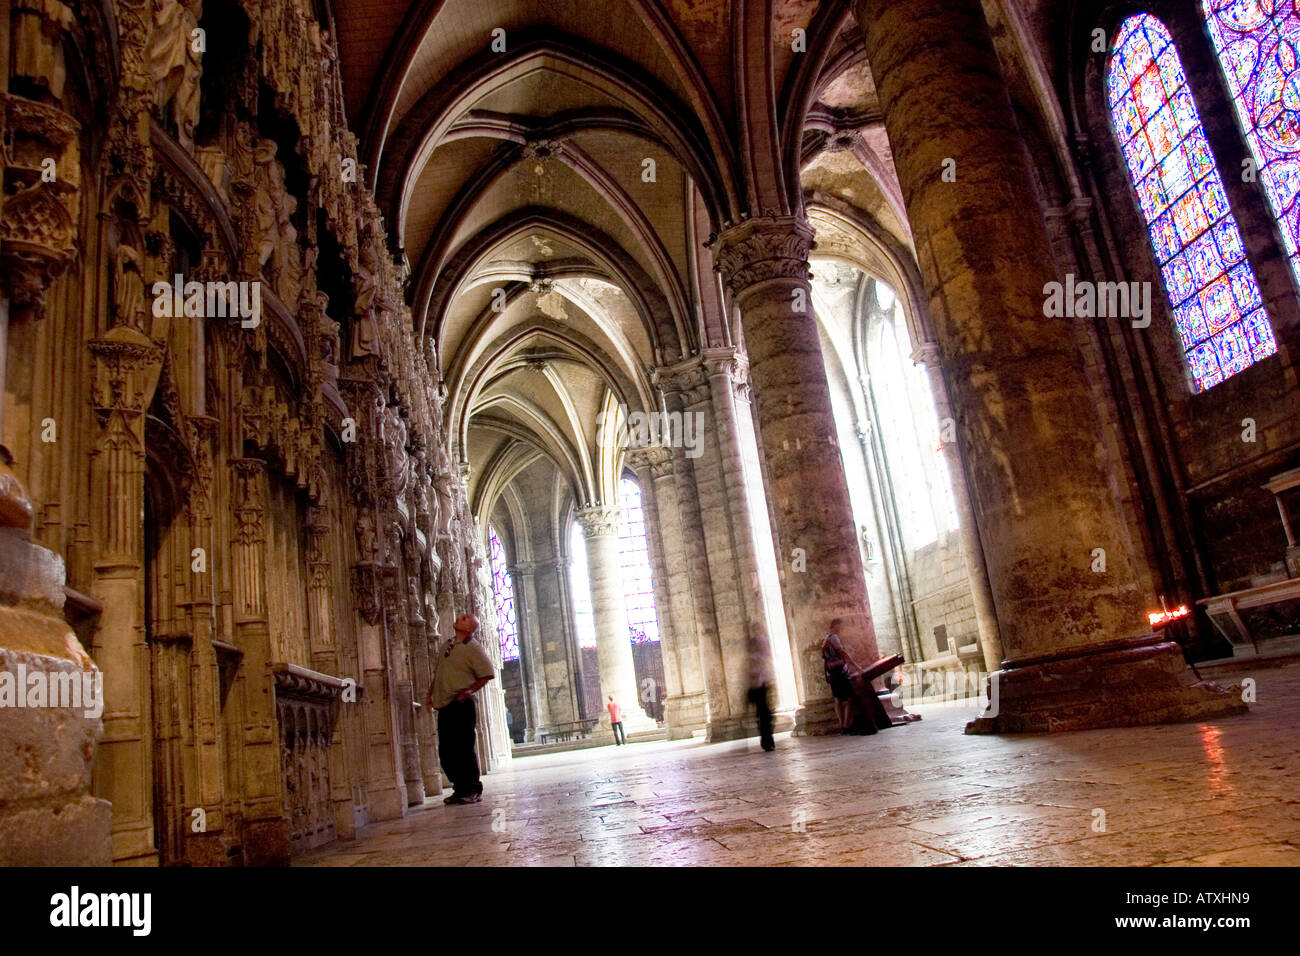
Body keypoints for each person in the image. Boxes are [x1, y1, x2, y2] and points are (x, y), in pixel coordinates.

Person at [423, 613, 495, 804]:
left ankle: (472, 789)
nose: (459, 618)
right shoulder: (447, 646)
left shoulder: (473, 647)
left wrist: (469, 691)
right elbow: (439, 673)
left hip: (461, 704)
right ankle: (459, 789)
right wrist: (431, 693)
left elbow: (487, 674)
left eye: (464, 618)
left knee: (463, 748)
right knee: (447, 750)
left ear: (470, 628)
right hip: (445, 703)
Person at [822, 618, 892, 735]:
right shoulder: (834, 637)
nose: (841, 629)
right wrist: (856, 666)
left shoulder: (826, 638)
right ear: (835, 625)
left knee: (837, 700)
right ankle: (846, 726)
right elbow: (843, 653)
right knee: (848, 699)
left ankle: (842, 725)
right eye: (840, 626)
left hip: (832, 672)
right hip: (839, 672)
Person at [747, 627, 776, 752]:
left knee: (767, 717)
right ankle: (767, 742)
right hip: (759, 690)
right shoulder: (753, 658)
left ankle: (768, 742)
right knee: (765, 718)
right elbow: (752, 675)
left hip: (763, 689)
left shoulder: (760, 657)